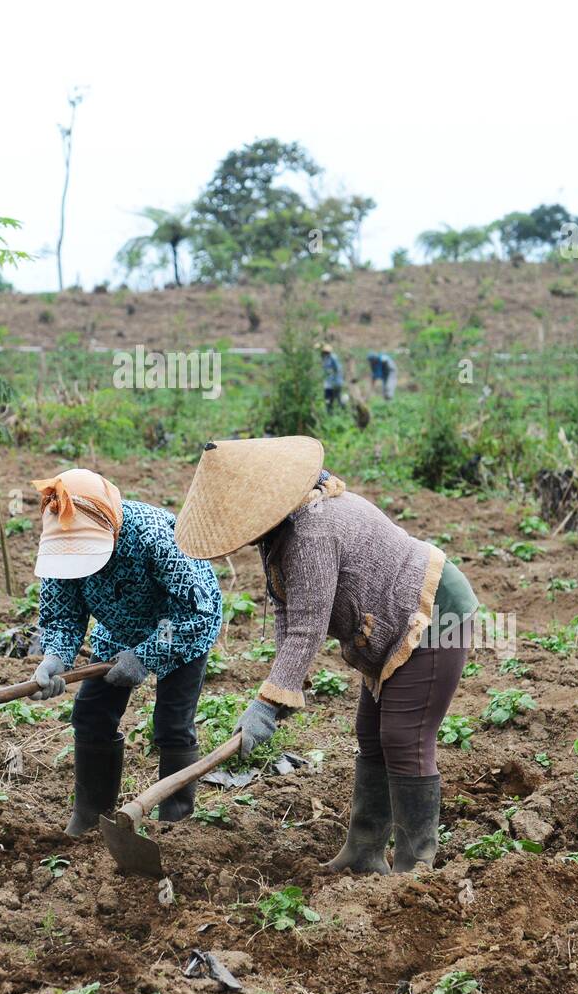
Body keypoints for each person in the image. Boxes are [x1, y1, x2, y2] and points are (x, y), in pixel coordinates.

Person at [175, 437, 478, 874]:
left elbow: (308, 626)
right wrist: (279, 690)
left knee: (403, 738)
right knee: (371, 735)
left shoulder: (311, 532)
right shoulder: (280, 532)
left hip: (433, 614)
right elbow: (287, 611)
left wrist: (267, 700)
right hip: (388, 625)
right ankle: (364, 853)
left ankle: (416, 870)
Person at [31, 467, 222, 836]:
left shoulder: (153, 536)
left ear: (112, 526)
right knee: (91, 716)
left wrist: (146, 656)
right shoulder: (62, 547)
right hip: (117, 631)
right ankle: (90, 815)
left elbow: (194, 612)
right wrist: (55, 657)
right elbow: (63, 616)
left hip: (177, 627)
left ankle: (174, 821)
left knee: (172, 724)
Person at [320, 344, 345, 411]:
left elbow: (338, 369)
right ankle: (329, 411)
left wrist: (333, 376)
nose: (325, 353)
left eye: (326, 352)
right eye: (324, 352)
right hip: (328, 382)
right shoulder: (324, 358)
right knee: (327, 397)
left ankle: (344, 409)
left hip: (335, 382)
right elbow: (325, 369)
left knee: (337, 397)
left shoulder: (333, 358)